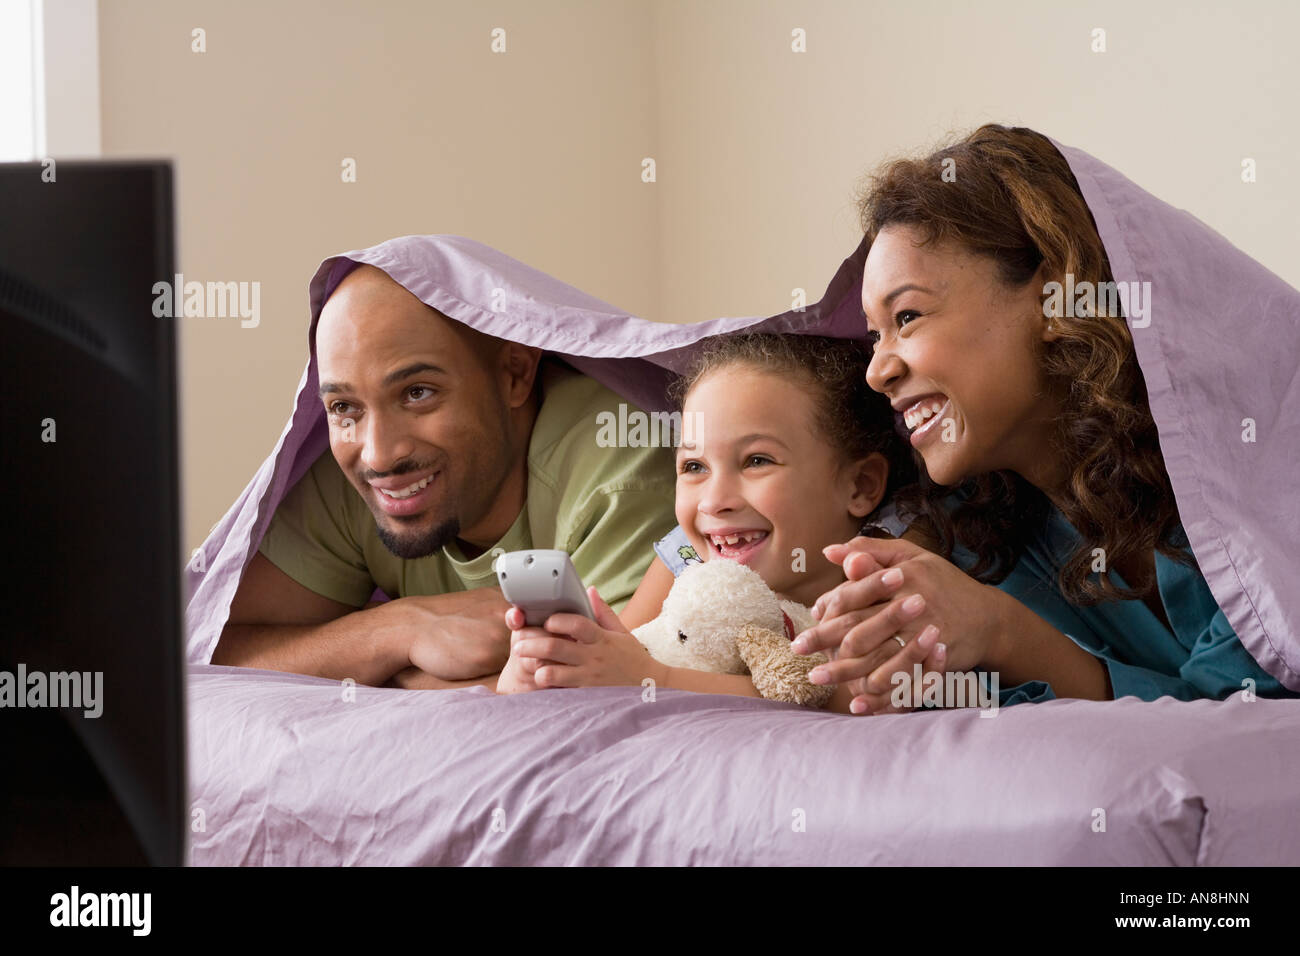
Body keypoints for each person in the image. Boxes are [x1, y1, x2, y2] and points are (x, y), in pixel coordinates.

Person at [792, 124, 1300, 713]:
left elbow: (1251, 725)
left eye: (907, 316)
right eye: (874, 335)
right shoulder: (971, 544)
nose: (876, 370)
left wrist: (1005, 632)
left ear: (1056, 296)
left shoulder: (1250, 464)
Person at [212, 263, 677, 688]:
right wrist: (398, 629)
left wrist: (396, 681)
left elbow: (610, 692)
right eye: (343, 407)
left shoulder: (621, 458)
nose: (379, 455)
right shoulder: (349, 475)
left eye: (417, 393)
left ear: (514, 373)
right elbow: (218, 648)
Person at [495, 332, 934, 713]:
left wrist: (656, 681)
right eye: (693, 467)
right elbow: (624, 652)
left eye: (757, 460)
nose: (714, 502)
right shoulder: (688, 554)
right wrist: (539, 674)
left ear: (859, 486)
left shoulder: (887, 555)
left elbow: (852, 703)